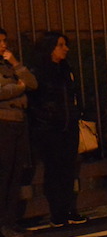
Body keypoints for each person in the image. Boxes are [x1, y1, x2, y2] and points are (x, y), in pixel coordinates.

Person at [27, 32, 87, 227]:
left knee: (69, 169)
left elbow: (73, 95)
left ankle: (69, 209)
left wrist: (77, 114)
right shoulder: (38, 71)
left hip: (68, 125)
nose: (65, 49)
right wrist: (45, 119)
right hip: (49, 128)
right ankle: (57, 213)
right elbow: (34, 101)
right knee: (54, 169)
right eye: (60, 45)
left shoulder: (66, 69)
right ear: (49, 48)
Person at [0, 28, 36, 237]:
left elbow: (32, 83)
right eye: (0, 41)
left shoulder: (7, 64)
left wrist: (15, 62)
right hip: (3, 123)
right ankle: (3, 225)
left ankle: (11, 222)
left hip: (18, 122)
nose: (4, 45)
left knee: (15, 174)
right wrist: (19, 87)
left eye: (4, 40)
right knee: (4, 174)